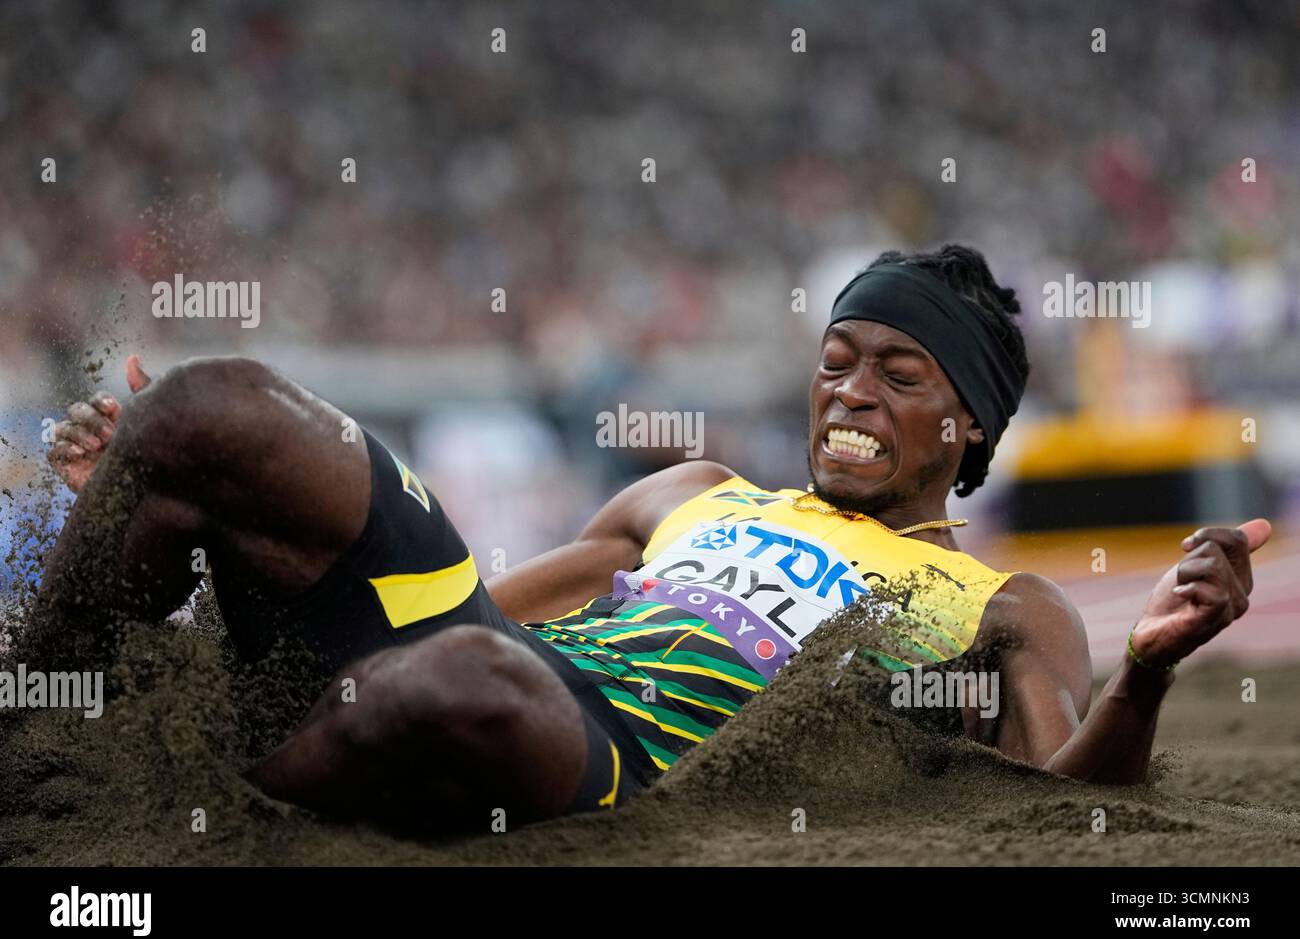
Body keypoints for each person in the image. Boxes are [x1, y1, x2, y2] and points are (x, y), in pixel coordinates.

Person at [39, 244, 1270, 829]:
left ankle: (202, 798)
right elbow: (480, 607)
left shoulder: (1006, 607)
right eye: (835, 363)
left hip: (607, 753)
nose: (848, 392)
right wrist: (214, 550)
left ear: (967, 428)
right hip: (483, 659)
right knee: (214, 404)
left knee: (465, 683)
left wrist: (1150, 671)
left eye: (897, 374)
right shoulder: (692, 487)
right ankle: (38, 739)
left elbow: (1060, 811)